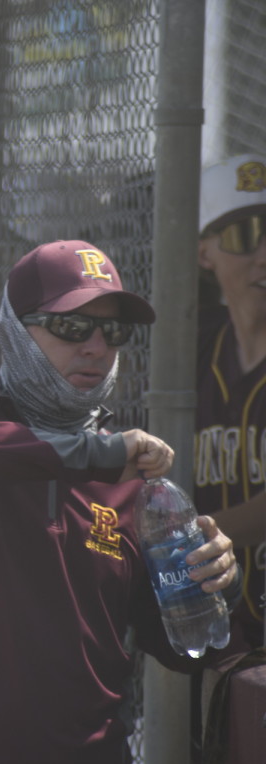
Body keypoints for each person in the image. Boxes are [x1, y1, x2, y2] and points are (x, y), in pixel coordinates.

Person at [0, 239, 242, 764]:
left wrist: (215, 583)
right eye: (72, 326)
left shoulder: (132, 484)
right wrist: (95, 454)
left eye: (113, 331)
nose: (96, 347)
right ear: (16, 331)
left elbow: (179, 650)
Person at [195, 153, 266, 655]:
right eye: (245, 236)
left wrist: (188, 542)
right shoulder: (195, 353)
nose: (265, 255)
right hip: (216, 638)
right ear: (205, 254)